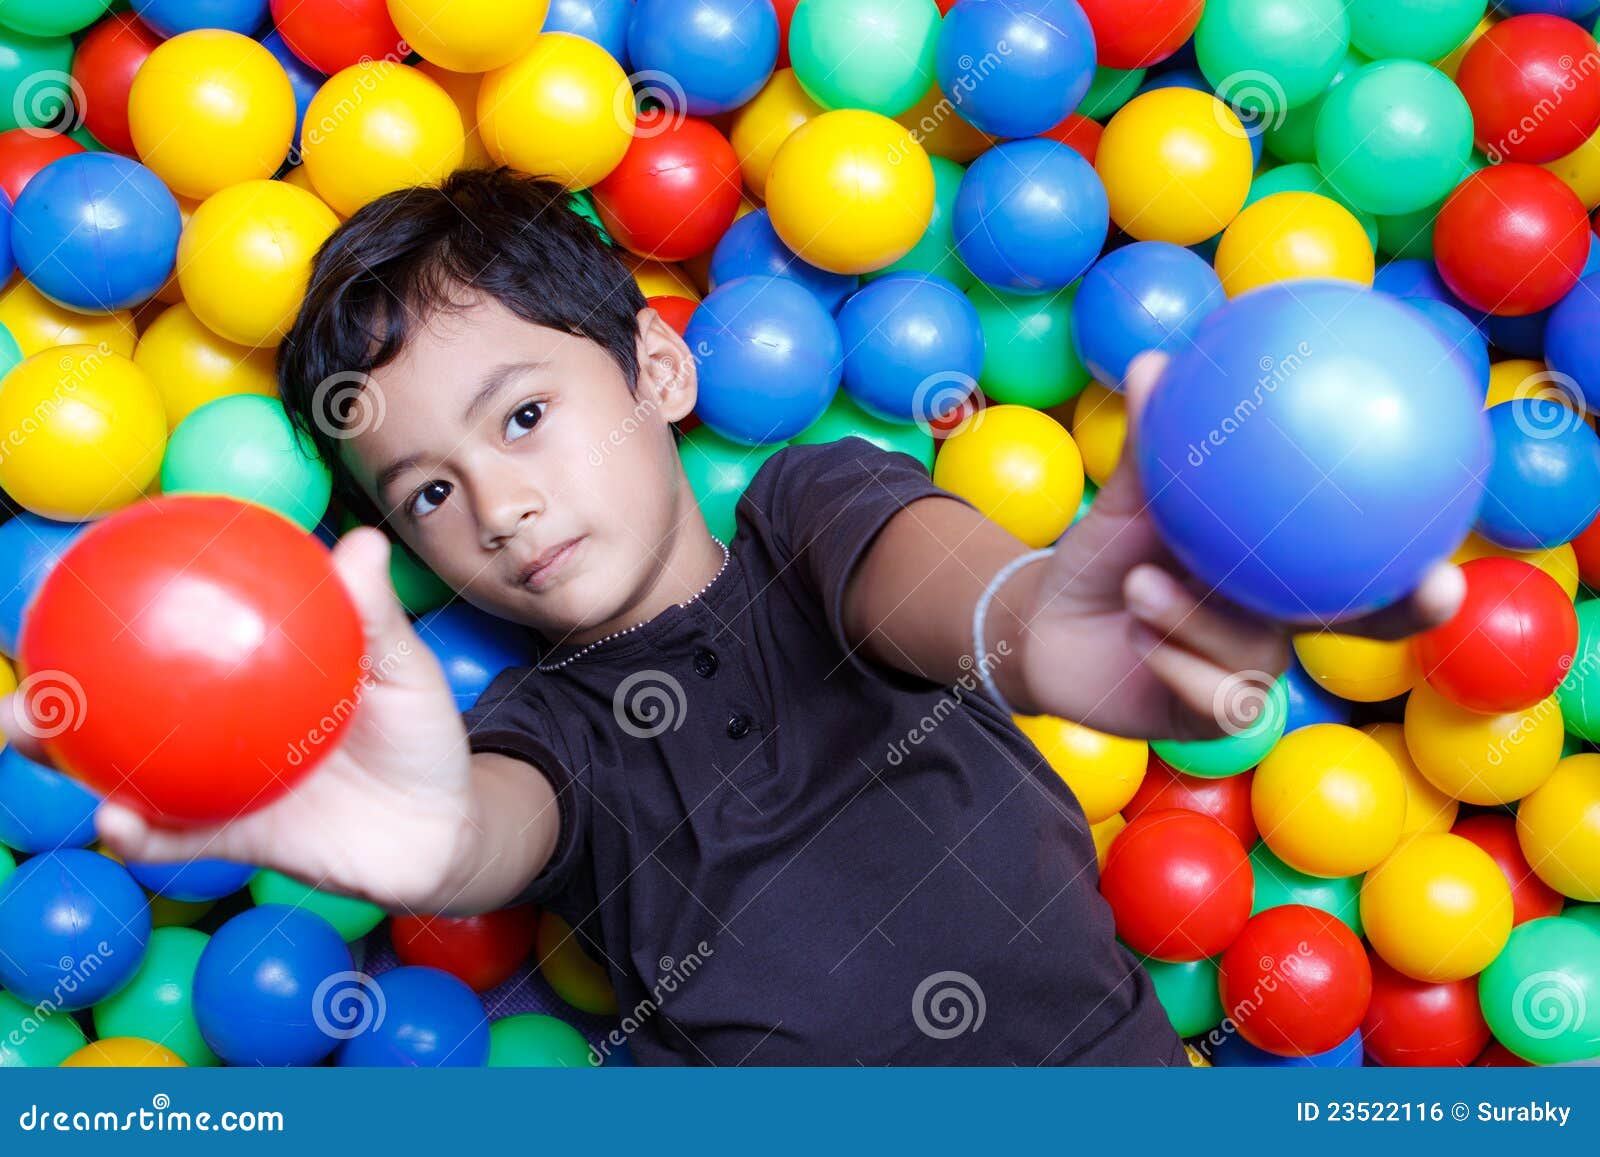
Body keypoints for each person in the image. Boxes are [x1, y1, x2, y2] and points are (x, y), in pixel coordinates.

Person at [0, 168, 1464, 1066]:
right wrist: (429, 841)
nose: (498, 504)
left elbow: (940, 588)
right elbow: (492, 820)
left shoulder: (808, 515)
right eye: (429, 491)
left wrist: (1038, 629)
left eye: (522, 414)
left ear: (657, 370)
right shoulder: (539, 727)